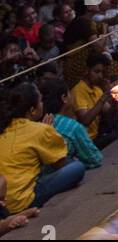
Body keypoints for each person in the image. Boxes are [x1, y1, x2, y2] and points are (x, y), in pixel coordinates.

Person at [0, 83, 85, 216]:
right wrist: (49, 133)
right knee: (77, 167)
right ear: (33, 110)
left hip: (3, 205)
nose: (42, 104)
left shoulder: (4, 129)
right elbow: (60, 163)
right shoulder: (40, 129)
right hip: (22, 201)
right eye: (40, 101)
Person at [36, 77, 102, 170]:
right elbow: (95, 159)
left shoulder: (35, 125)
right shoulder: (72, 126)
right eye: (69, 93)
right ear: (64, 98)